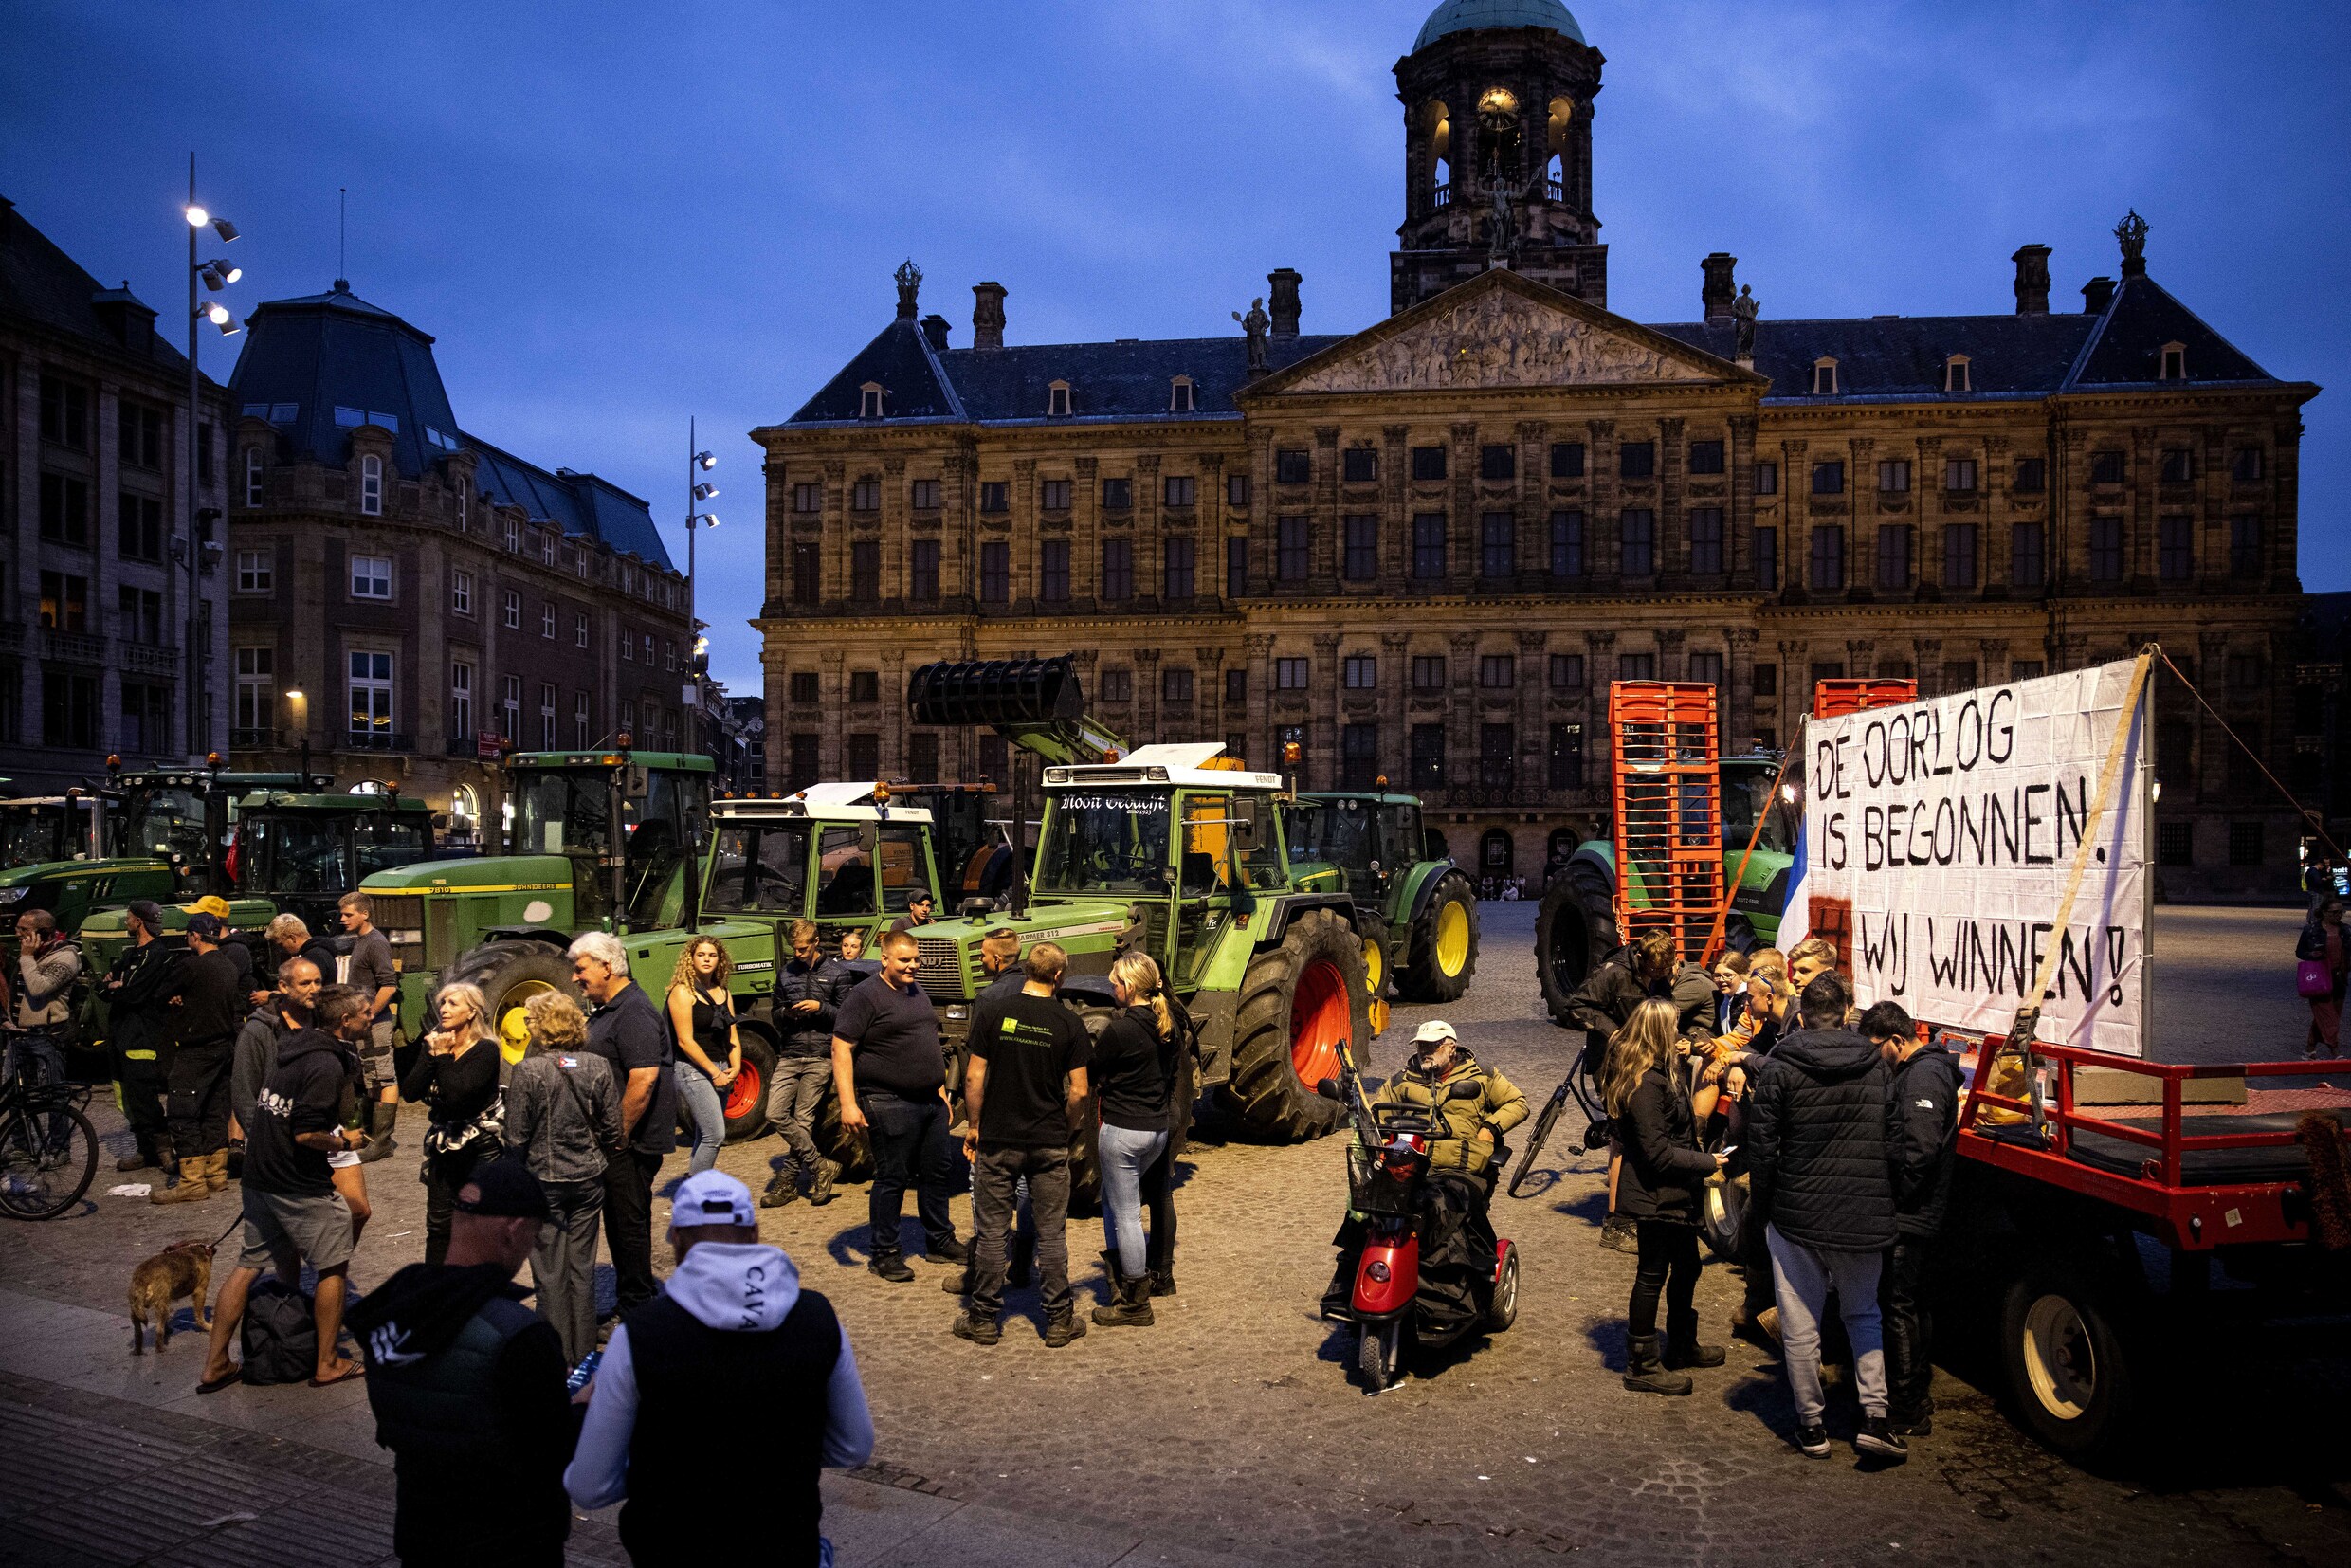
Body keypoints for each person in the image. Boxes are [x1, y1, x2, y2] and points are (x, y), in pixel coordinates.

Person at [566, 1171, 875, 1567]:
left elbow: (590, 1487)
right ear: (755, 1233)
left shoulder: (641, 1335)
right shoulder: (817, 1318)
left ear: (676, 1240)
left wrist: (653, 1464)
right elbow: (854, 1445)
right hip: (785, 1546)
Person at [349, 1160, 585, 1567]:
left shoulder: (395, 1307)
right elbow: (553, 1454)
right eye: (534, 1233)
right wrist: (582, 1403)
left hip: (422, 1534)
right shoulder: (519, 1334)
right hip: (508, 1543)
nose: (532, 1247)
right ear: (513, 1230)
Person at [1746, 973, 1905, 1463]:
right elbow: (1894, 1141)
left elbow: (1763, 1149)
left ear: (1802, 1014)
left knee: (1800, 1325)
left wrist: (1767, 1207)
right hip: (1862, 1211)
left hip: (1796, 1212)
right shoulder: (1876, 1067)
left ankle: (1811, 1426)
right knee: (1864, 1315)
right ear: (1847, 1012)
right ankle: (1876, 1418)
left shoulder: (1778, 1067)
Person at [197, 984, 376, 1392]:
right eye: (366, 1012)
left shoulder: (294, 1046)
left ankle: (216, 1364)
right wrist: (343, 1142)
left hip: (260, 1176)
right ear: (345, 1021)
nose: (372, 1016)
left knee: (248, 1265)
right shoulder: (325, 1066)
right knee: (333, 1265)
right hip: (295, 1181)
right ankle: (327, 1362)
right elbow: (306, 1133)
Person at [1319, 1020, 1525, 1321]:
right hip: (1413, 1167)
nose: (1424, 1051)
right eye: (1420, 1046)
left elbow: (1517, 1102)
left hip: (1459, 1168)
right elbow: (1379, 1110)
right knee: (1368, 1208)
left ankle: (1451, 1298)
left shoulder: (1481, 1076)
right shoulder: (1404, 1078)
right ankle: (1354, 1286)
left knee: (1443, 1209)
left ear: (1450, 1047)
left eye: (1431, 1046)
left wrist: (1491, 1128)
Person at [952, 941, 1090, 1347]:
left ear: (1025, 970)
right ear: (1059, 977)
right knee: (1051, 1234)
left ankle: (983, 1320)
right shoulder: (1070, 1023)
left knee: (993, 1233)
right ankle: (1060, 1320)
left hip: (998, 1138)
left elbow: (974, 1078)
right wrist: (1065, 1131)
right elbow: (1079, 1092)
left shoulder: (993, 1012)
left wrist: (975, 1126)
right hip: (1047, 1140)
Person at [1564, 930, 1715, 1252]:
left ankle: (1643, 1207)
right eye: (1654, 972)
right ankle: (1616, 1222)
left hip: (1646, 1059)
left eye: (1664, 972)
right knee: (1622, 1138)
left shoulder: (1661, 973)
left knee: (1644, 1135)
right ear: (1641, 959)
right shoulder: (1613, 973)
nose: (1659, 977)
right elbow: (1576, 1006)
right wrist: (1613, 1031)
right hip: (1613, 1061)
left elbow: (1665, 1007)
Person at [1609, 998, 1730, 1395]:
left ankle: (1680, 1344)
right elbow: (1657, 1153)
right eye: (1675, 1026)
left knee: (1689, 1266)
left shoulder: (1663, 1072)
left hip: (1674, 1192)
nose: (1680, 1035)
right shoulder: (1644, 1082)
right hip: (1654, 1195)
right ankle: (1641, 1365)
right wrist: (1707, 1161)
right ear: (1658, 1031)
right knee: (1651, 1274)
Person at [832, 929, 965, 1283]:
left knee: (937, 1171)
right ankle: (885, 1253)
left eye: (916, 959)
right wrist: (848, 1103)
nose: (912, 966)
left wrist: (938, 1089)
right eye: (905, 960)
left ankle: (940, 1241)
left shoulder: (916, 990)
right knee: (893, 1177)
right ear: (885, 959)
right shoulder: (865, 996)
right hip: (887, 1100)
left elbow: (926, 1042)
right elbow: (841, 1048)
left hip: (929, 1100)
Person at [505, 991, 623, 1365]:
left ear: (542, 1025)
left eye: (530, 1019)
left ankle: (557, 1358)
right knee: (582, 1269)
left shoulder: (528, 1071)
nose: (526, 1025)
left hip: (544, 1179)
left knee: (549, 1273)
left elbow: (516, 1136)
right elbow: (613, 1128)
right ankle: (585, 1354)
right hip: (588, 1178)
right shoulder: (597, 1066)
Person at [571, 931, 677, 1317]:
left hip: (630, 1144)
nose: (574, 977)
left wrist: (617, 1134)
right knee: (620, 1223)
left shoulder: (632, 1011)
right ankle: (635, 1300)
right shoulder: (612, 1009)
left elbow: (644, 1078)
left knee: (628, 1225)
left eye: (580, 969)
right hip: (620, 1141)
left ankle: (636, 1311)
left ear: (608, 966)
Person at [1868, 1000, 1958, 1438]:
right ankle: (1915, 1394)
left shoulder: (1923, 1074)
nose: (1874, 1057)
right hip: (1914, 1210)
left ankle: (1904, 1406)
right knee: (1911, 1303)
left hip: (1911, 1213)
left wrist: (1895, 1200)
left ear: (1898, 1040)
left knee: (1897, 1305)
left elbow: (1919, 1151)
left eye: (1877, 1047)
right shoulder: (1918, 1072)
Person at [1091, 951, 1179, 1328]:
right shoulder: (1169, 1025)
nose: (1111, 988)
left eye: (1114, 982)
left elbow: (1094, 1072)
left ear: (1129, 987)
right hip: (1157, 1131)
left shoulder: (1120, 1030)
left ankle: (1136, 1302)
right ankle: (1119, 1278)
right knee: (1115, 1203)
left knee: (1127, 1214)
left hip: (1123, 1132)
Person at [405, 982, 505, 1265]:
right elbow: (411, 1093)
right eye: (443, 1003)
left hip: (480, 1149)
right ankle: (436, 1293)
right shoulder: (436, 1044)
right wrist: (431, 1055)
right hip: (443, 1147)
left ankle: (478, 1295)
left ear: (472, 1012)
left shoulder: (485, 1050)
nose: (444, 1009)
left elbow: (457, 1095)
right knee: (438, 1226)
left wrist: (442, 1057)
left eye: (452, 1004)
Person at [153, 913, 243, 1204]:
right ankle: (216, 1176)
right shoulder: (229, 965)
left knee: (182, 1110)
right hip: (224, 1047)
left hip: (196, 1050)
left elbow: (160, 994)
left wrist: (176, 1000)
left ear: (194, 936)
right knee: (215, 1108)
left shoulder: (191, 966)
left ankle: (191, 1181)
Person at [764, 921, 845, 1208]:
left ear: (816, 942)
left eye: (802, 948)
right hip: (790, 1053)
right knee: (774, 1114)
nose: (797, 954)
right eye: (794, 949)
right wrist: (787, 1013)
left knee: (803, 1121)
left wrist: (819, 1007)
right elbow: (774, 1012)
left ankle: (787, 1183)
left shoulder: (837, 973)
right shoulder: (786, 973)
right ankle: (822, 1166)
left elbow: (846, 1016)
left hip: (821, 1055)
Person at [102, 901, 181, 1173]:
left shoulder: (156, 955)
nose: (126, 921)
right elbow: (105, 988)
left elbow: (134, 993)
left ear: (139, 922)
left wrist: (120, 986)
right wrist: (117, 985)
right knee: (128, 1097)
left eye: (129, 917)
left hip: (142, 1037)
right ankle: (144, 1149)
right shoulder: (130, 955)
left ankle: (163, 1151)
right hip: (120, 1035)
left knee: (144, 1096)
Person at [229, 955, 323, 1176]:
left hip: (319, 1140)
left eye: (317, 982)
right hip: (276, 1143)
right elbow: (243, 1092)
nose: (314, 989)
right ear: (283, 986)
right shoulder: (258, 1030)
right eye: (305, 983)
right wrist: (266, 1139)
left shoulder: (323, 1023)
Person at [6, 909, 80, 1158]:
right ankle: (22, 1146)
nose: (18, 934)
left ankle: (60, 1149)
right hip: (19, 1035)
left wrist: (26, 957)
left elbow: (38, 988)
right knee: (15, 1095)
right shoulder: (31, 954)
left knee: (54, 1096)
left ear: (43, 933)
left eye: (23, 930)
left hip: (46, 1038)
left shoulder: (65, 957)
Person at [663, 937, 738, 1176]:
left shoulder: (724, 992)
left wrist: (735, 1067)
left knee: (704, 1134)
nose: (707, 959)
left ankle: (693, 1182)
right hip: (691, 1069)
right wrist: (714, 1072)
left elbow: (732, 1036)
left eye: (712, 955)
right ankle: (697, 1192)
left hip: (721, 1067)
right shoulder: (683, 992)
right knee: (715, 1135)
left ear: (720, 960)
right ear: (691, 959)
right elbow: (685, 1041)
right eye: (701, 955)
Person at [341, 892, 405, 1161]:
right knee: (371, 1079)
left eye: (348, 914)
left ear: (364, 914)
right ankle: (370, 1136)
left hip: (374, 1023)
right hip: (363, 1024)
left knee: (384, 1077)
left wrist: (369, 1015)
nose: (342, 919)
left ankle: (381, 1141)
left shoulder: (376, 943)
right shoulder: (362, 941)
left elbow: (389, 985)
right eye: (342, 914)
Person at [249, 913, 337, 1012]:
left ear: (292, 938)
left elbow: (306, 995)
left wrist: (270, 996)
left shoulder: (313, 957)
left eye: (281, 944)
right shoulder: (318, 953)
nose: (281, 950)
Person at [2301, 896, 2347, 1059]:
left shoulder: (2345, 930)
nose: (2338, 915)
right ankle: (2335, 1051)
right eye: (2334, 912)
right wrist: (2311, 954)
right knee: (2329, 1017)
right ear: (2324, 913)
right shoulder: (2312, 930)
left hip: (2340, 977)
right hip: (2320, 978)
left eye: (2341, 912)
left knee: (2330, 1015)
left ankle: (2309, 1048)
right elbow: (2300, 952)